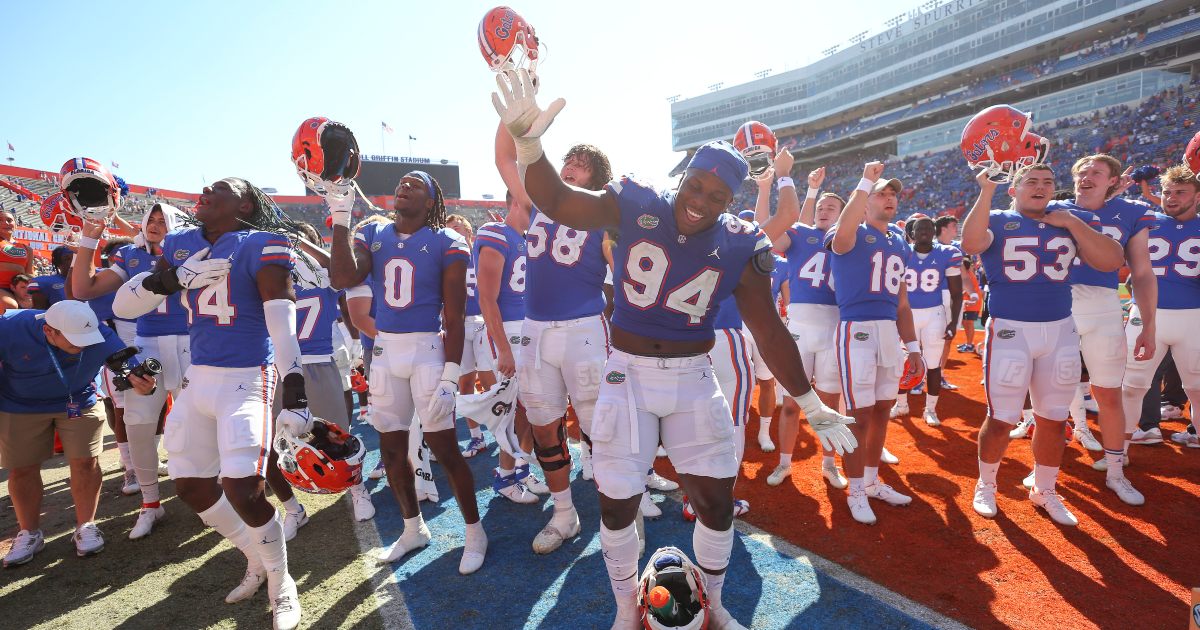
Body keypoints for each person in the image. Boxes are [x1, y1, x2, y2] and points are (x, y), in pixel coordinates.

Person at [492, 68, 854, 629]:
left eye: (717, 196)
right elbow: (560, 201)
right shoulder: (636, 200)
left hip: (691, 375)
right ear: (682, 177)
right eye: (696, 187)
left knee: (713, 501)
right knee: (616, 503)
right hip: (627, 373)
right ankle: (623, 612)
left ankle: (714, 604)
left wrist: (809, 402)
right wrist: (530, 146)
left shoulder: (739, 241)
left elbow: (768, 328)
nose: (701, 202)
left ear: (729, 199)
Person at [112, 177, 308, 629]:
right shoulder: (180, 244)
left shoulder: (264, 243)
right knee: (190, 486)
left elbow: (282, 326)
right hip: (198, 377)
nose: (204, 190)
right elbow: (125, 306)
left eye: (218, 187)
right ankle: (254, 557)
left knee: (243, 488)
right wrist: (171, 278)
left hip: (246, 377)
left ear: (243, 201)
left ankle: (282, 582)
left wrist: (294, 392)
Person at [327, 170, 487, 575]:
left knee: (445, 447)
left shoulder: (447, 240)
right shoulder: (374, 232)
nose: (405, 185)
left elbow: (454, 315)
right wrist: (342, 217)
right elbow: (343, 278)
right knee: (392, 449)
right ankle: (412, 528)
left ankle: (474, 532)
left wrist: (452, 373)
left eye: (417, 184)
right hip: (384, 350)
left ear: (432, 200)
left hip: (427, 349)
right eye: (402, 182)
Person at [961, 165, 1123, 526]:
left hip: (1060, 329)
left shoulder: (1069, 219)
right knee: (1001, 417)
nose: (1040, 187)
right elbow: (970, 245)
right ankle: (986, 484)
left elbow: (1112, 260)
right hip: (1010, 330)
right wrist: (985, 191)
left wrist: (1074, 225)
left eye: (1048, 181)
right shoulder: (1000, 218)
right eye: (1031, 182)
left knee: (1053, 417)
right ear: (1014, 189)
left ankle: (1045, 488)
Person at [498, 127, 618, 552]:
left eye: (581, 165)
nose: (570, 166)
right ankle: (564, 513)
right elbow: (504, 159)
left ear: (598, 179)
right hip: (534, 330)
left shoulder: (604, 213)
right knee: (544, 426)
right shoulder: (537, 202)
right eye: (569, 160)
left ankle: (621, 517)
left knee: (601, 430)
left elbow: (623, 274)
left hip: (583, 328)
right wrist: (515, 121)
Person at [0, 300, 155, 567]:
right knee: (22, 468)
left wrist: (142, 383)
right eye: (74, 340)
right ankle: (29, 532)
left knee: (86, 461)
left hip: (78, 399)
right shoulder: (9, 327)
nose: (82, 345)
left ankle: (86, 525)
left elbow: (127, 366)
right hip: (19, 404)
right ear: (50, 331)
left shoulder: (97, 332)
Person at [72, 203, 186, 540]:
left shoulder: (191, 248)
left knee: (201, 423)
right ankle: (151, 503)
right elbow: (83, 290)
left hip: (193, 343)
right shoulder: (130, 255)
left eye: (162, 220)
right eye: (150, 219)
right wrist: (88, 240)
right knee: (138, 423)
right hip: (147, 344)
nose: (154, 225)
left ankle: (214, 489)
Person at [1049, 154, 1156, 506]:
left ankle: (1115, 472)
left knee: (1108, 393)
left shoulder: (1130, 212)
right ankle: (1045, 470)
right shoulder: (1051, 207)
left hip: (1104, 305)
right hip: (1055, 301)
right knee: (1051, 392)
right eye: (1082, 171)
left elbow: (1141, 272)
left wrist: (1148, 325)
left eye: (1096, 172)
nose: (1086, 176)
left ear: (1112, 180)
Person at [825, 164, 924, 525]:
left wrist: (913, 347)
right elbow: (842, 235)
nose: (889, 198)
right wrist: (865, 181)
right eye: (881, 193)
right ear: (864, 202)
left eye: (892, 193)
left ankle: (869, 481)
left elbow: (901, 302)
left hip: (888, 332)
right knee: (858, 414)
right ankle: (854, 489)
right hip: (857, 330)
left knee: (883, 409)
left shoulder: (899, 240)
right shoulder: (850, 232)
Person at [264, 222, 375, 537]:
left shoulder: (323, 274)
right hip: (277, 368)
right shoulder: (269, 274)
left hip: (317, 363)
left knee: (339, 439)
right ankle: (293, 509)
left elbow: (335, 267)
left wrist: (302, 243)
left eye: (296, 242)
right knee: (271, 446)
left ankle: (357, 490)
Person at [766, 167, 849, 488]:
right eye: (820, 207)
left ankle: (830, 464)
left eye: (832, 207)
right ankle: (785, 463)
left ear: (843, 214)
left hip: (832, 326)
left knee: (828, 404)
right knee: (790, 404)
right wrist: (810, 190)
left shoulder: (846, 238)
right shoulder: (800, 234)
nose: (824, 210)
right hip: (799, 327)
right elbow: (772, 233)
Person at [1120, 165, 1200, 468]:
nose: (1171, 197)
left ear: (1197, 196)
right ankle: (1118, 454)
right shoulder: (1145, 222)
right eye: (1167, 191)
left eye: (1180, 192)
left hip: (1193, 317)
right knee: (1131, 385)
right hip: (1147, 315)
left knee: (1197, 388)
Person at [473, 191, 548, 503]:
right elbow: (487, 298)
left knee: (531, 409)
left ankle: (520, 468)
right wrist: (502, 348)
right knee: (512, 409)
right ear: (517, 200)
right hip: (507, 332)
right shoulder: (495, 234)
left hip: (528, 331)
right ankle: (505, 477)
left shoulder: (526, 238)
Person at [891, 216, 963, 426]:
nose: (923, 232)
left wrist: (952, 322)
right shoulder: (902, 253)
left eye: (928, 228)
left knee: (933, 365)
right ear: (911, 234)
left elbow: (957, 293)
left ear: (934, 231)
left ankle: (930, 409)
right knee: (904, 363)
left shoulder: (947, 253)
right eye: (919, 229)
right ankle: (901, 404)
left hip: (934, 314)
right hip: (907, 314)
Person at [0, 208, 35, 310]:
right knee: (10, 306)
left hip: (19, 289)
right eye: (0, 220)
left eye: (9, 220)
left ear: (15, 224)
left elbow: (29, 274)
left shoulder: (27, 249)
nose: (6, 223)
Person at [957, 259, 983, 353]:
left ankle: (969, 345)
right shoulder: (967, 274)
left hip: (972, 304)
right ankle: (968, 343)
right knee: (965, 323)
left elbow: (966, 290)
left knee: (969, 323)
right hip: (968, 303)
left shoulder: (968, 275)